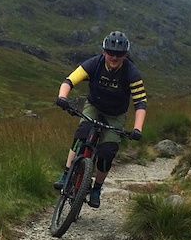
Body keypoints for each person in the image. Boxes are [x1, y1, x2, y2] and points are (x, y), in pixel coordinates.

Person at [54, 31, 147, 208]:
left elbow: (140, 102)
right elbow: (70, 80)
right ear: (104, 51)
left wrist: (137, 128)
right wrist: (62, 97)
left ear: (125, 55)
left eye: (119, 54)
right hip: (94, 106)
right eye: (110, 52)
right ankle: (66, 174)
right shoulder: (95, 63)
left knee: (107, 152)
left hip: (115, 114)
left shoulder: (131, 72)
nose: (114, 57)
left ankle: (96, 188)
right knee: (81, 135)